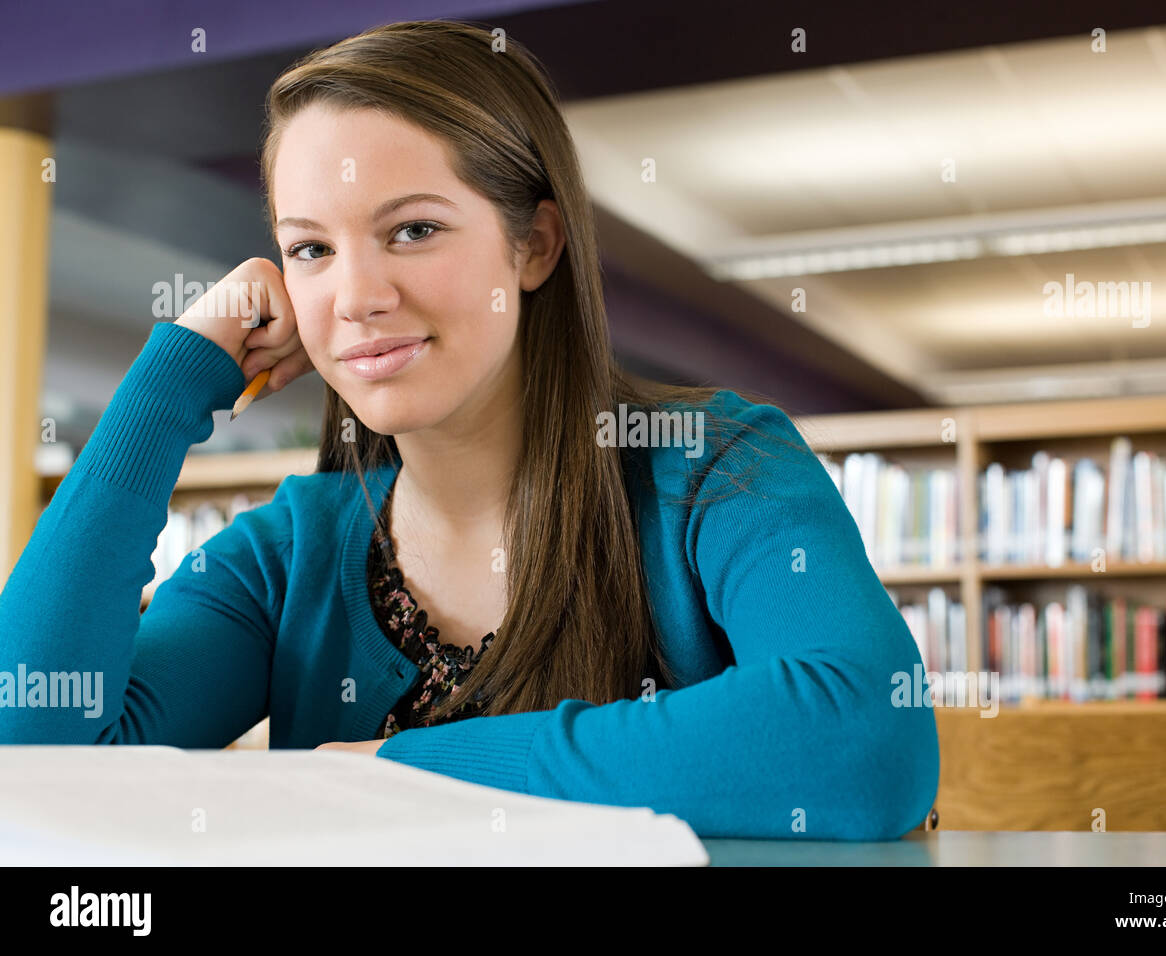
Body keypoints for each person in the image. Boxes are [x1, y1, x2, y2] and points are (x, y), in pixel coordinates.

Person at [0, 19, 938, 841]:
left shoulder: (716, 470)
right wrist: (167, 390)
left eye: (412, 230)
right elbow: (35, 758)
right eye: (311, 249)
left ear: (532, 246)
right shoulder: (288, 554)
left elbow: (863, 736)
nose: (358, 297)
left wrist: (406, 771)